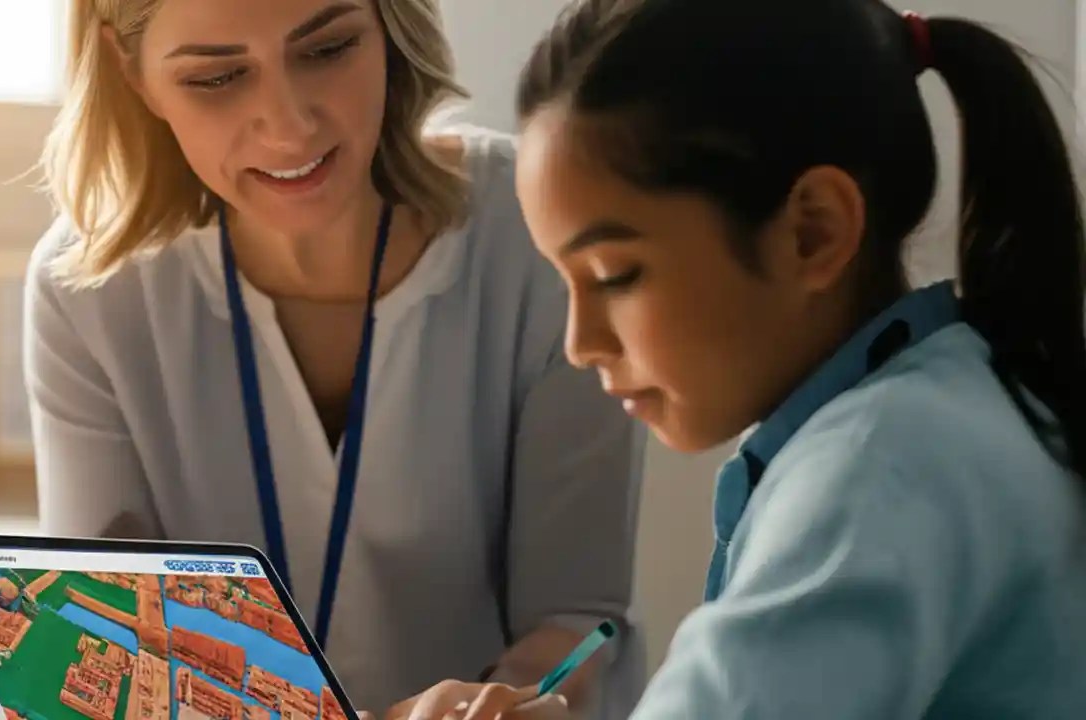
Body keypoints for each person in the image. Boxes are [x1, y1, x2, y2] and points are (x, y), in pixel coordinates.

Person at [395, 0, 1086, 717]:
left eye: (614, 276)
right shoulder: (964, 399)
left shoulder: (877, 471)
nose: (580, 343)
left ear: (812, 232)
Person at [22, 0, 648, 716]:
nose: (289, 125)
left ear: (389, 28)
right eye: (219, 78)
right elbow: (97, 640)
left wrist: (514, 702)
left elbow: (575, 618)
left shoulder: (533, 230)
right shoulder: (88, 290)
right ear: (128, 69)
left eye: (326, 50)